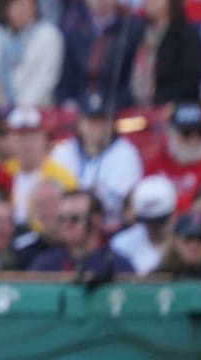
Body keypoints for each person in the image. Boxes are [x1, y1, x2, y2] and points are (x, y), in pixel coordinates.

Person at [50, 92, 144, 225]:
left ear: (112, 123)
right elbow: (55, 194)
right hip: (68, 226)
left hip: (110, 228)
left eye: (101, 121)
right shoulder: (63, 151)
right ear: (80, 123)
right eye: (91, 121)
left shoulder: (126, 153)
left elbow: (116, 202)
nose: (96, 128)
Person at [0, 0, 63, 107]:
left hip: (36, 111)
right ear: (4, 8)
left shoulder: (48, 35)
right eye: (15, 2)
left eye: (26, 1)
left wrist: (20, 109)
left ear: (35, 6)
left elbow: (45, 79)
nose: (21, 7)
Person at [132, 0, 201, 106]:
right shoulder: (137, 33)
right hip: (133, 108)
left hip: (172, 107)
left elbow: (191, 81)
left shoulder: (187, 35)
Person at [27, 189, 134, 276]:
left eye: (74, 218)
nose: (66, 224)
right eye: (62, 218)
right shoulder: (45, 264)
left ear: (96, 219)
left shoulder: (116, 265)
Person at [108, 175, 178, 275]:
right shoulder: (121, 244)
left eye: (159, 222)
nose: (154, 227)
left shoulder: (185, 241)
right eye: (149, 222)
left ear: (172, 214)